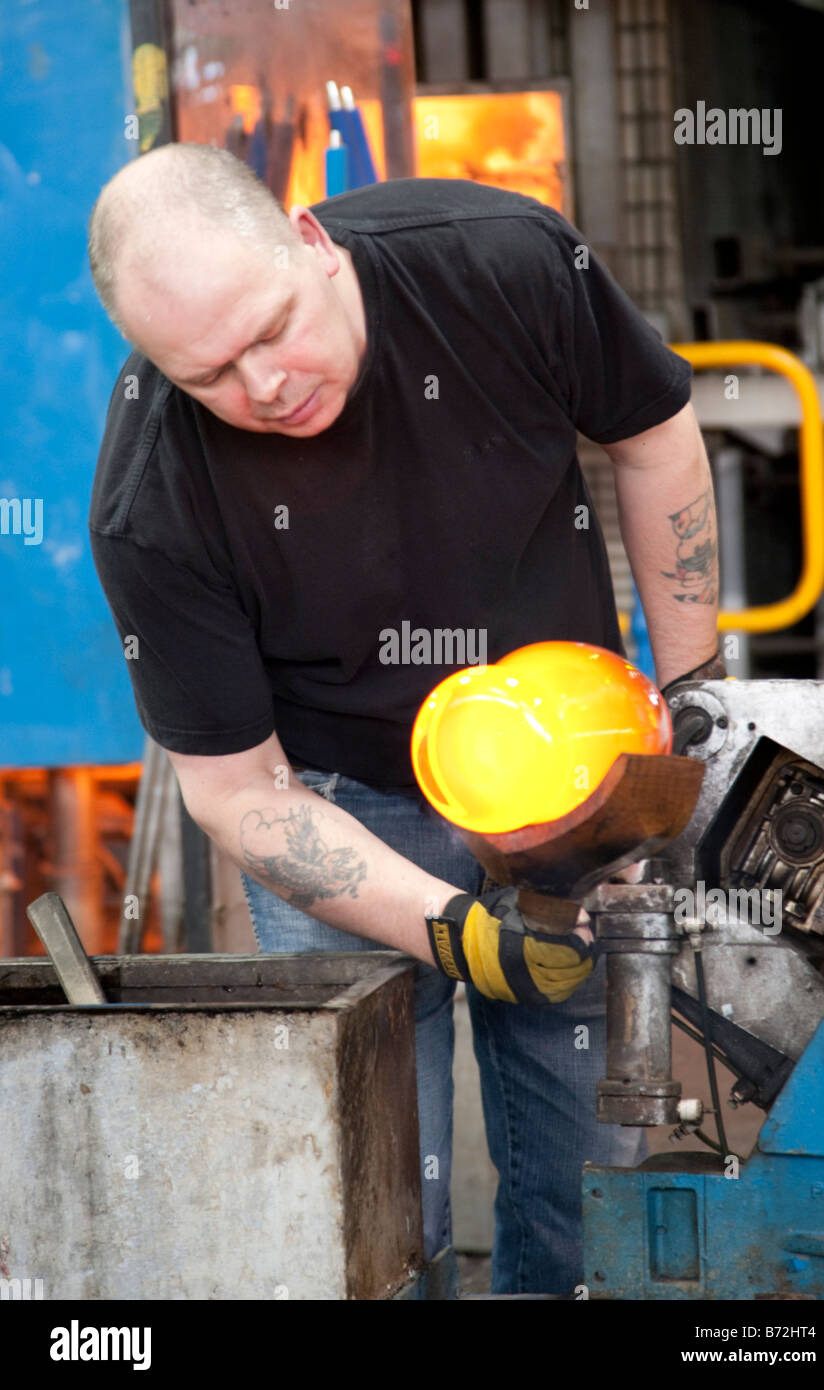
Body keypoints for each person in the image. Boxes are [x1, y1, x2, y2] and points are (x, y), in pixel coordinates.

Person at [87, 143, 725, 1296]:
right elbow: (235, 791)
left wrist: (689, 707)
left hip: (573, 780)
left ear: (311, 242)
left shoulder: (502, 263)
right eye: (213, 373)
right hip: (341, 815)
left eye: (271, 328)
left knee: (588, 1186)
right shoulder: (151, 501)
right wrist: (454, 930)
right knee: (375, 1214)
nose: (265, 384)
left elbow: (654, 435)